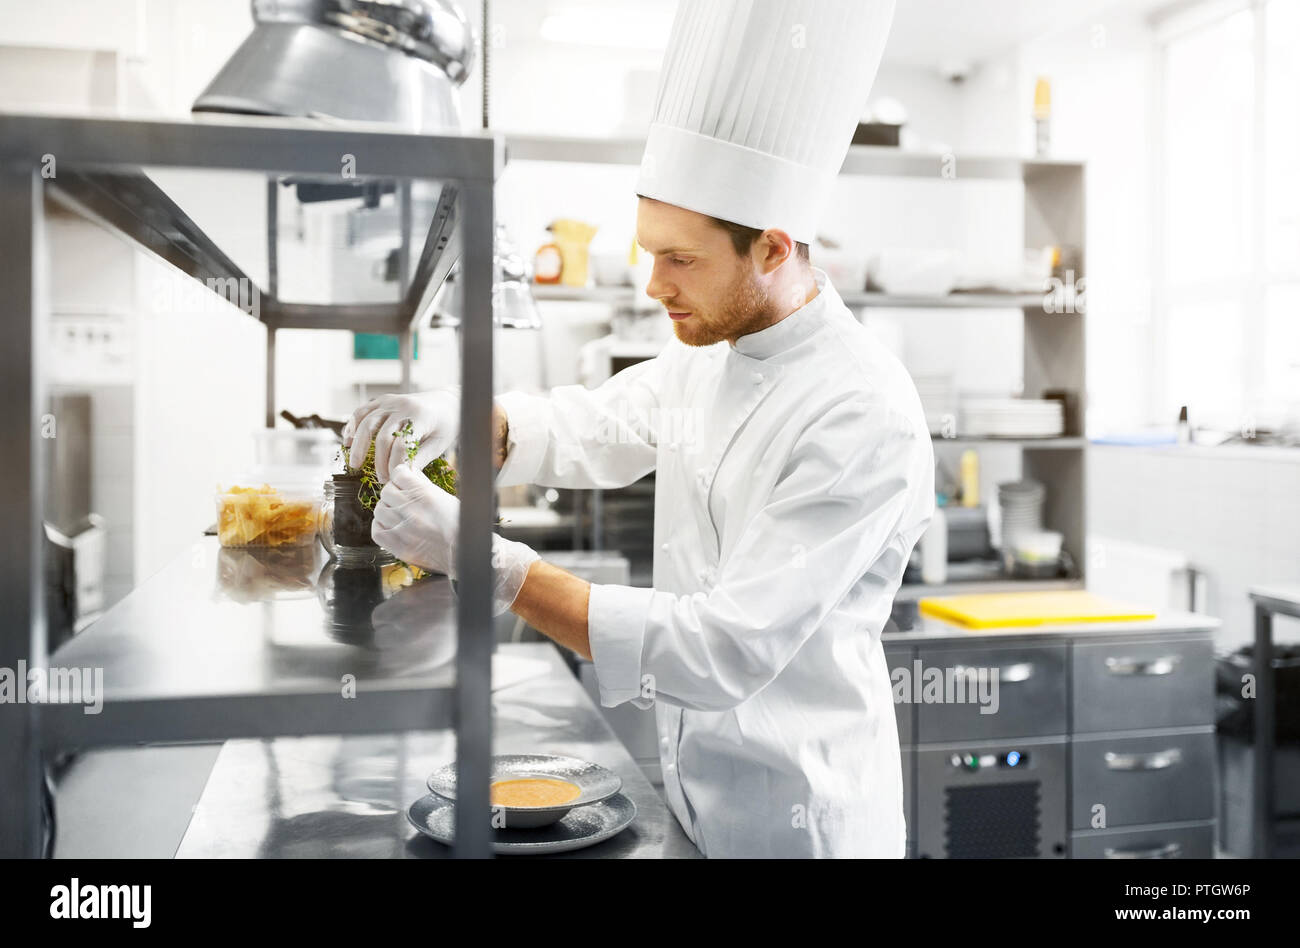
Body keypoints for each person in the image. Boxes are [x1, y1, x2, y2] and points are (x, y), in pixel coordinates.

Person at [345, 0, 932, 857]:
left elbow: (719, 651)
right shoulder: (712, 350)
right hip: (696, 794)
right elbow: (602, 422)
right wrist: (469, 419)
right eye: (650, 251)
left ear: (773, 248)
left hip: (799, 820)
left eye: (682, 259)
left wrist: (490, 562)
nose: (655, 284)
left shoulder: (861, 411)